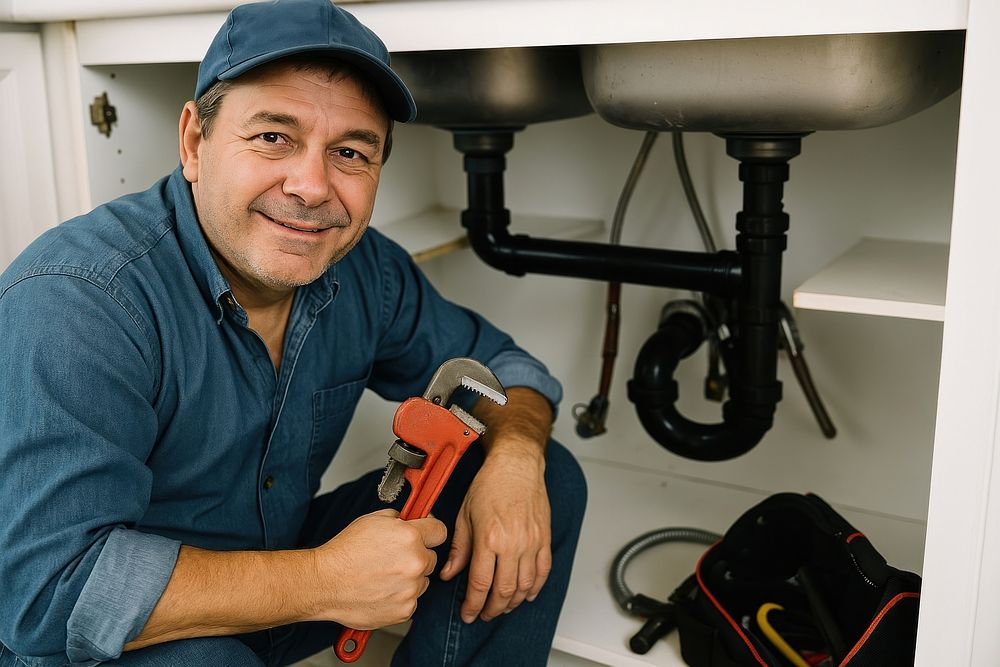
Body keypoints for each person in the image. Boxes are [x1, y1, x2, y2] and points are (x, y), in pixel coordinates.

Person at [0, 1, 587, 665]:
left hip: (272, 567)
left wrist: (513, 457)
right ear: (194, 142)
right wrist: (326, 581)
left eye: (350, 152)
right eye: (273, 137)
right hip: (99, 641)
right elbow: (44, 597)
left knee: (547, 477)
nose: (311, 187)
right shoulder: (82, 300)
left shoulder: (366, 272)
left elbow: (510, 369)